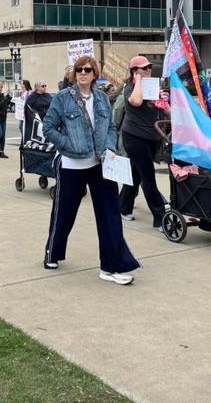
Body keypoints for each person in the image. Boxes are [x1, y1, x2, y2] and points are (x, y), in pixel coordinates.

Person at [42, 56, 140, 285]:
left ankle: (111, 266)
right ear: (74, 74)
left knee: (110, 216)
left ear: (94, 74)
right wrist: (67, 144)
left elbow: (111, 127)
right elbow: (48, 127)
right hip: (71, 165)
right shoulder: (64, 98)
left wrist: (109, 148)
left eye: (88, 70)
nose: (83, 73)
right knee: (64, 214)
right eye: (79, 70)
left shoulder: (103, 99)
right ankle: (52, 253)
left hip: (100, 165)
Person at [118, 56, 170, 227]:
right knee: (148, 177)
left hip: (152, 137)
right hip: (134, 137)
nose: (147, 70)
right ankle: (160, 218)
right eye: (143, 68)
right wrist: (139, 81)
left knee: (135, 174)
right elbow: (136, 101)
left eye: (148, 67)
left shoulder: (154, 88)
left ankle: (123, 208)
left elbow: (167, 110)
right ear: (134, 71)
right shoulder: (130, 88)